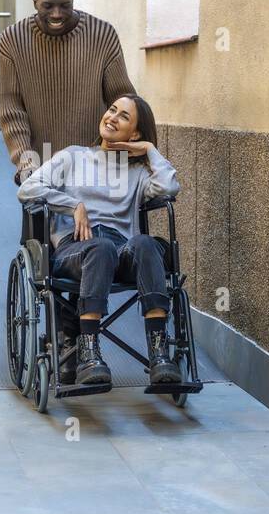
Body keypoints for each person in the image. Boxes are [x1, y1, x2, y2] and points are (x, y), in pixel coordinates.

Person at [17, 94, 182, 388]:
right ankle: (89, 352)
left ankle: (159, 354)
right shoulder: (73, 156)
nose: (112, 117)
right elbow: (29, 189)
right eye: (112, 110)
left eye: (124, 117)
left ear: (136, 133)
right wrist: (72, 205)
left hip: (121, 251)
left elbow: (170, 186)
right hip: (76, 250)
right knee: (101, 247)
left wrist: (149, 149)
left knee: (145, 243)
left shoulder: (138, 172)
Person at [0, 0, 135, 186]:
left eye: (65, 5)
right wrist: (25, 161)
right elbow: (11, 109)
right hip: (41, 167)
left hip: (95, 163)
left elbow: (123, 100)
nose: (56, 14)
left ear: (74, 0)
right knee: (41, 221)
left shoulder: (103, 35)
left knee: (92, 221)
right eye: (48, 6)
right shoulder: (13, 40)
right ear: (35, 2)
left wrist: (125, 150)